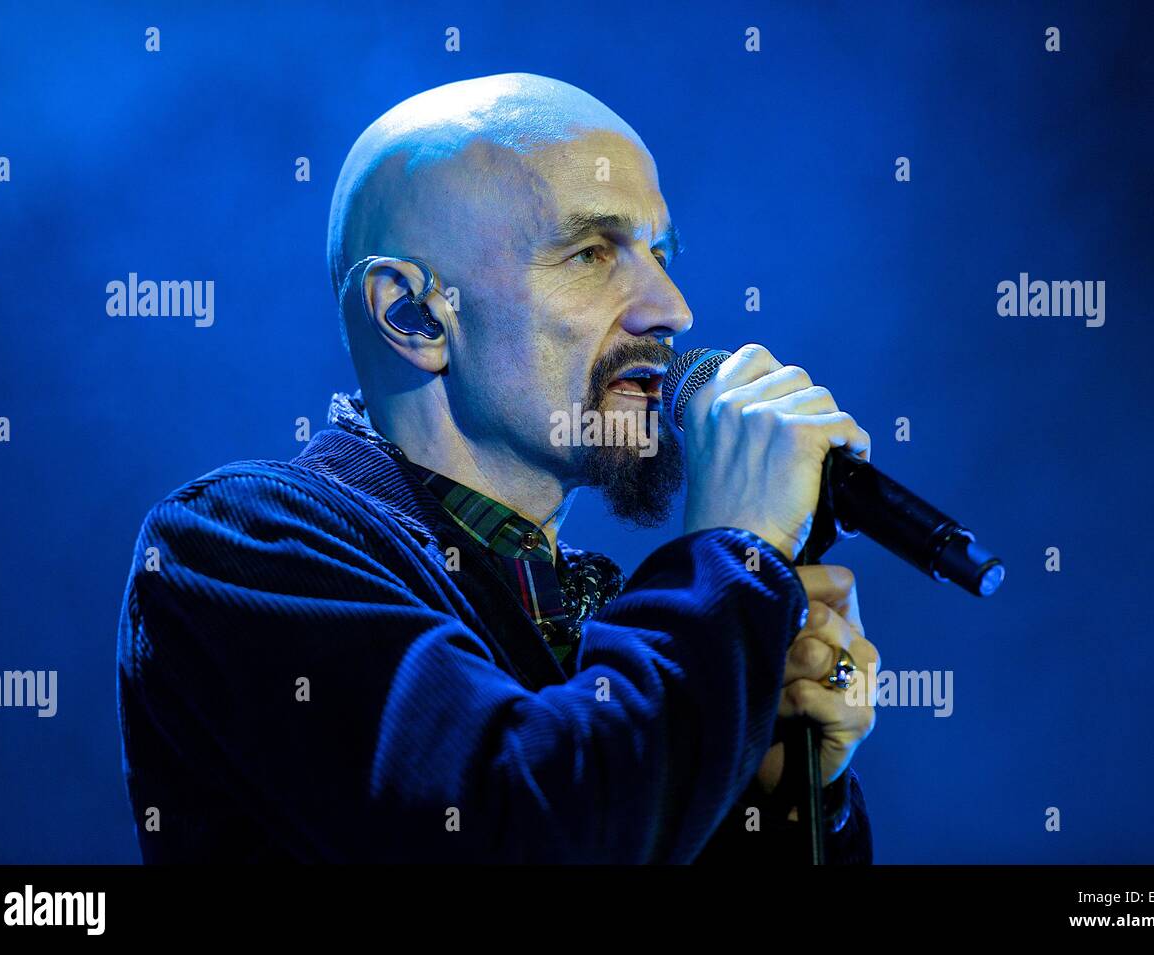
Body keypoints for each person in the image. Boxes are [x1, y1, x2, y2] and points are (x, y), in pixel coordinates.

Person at [116, 72, 880, 863]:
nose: (671, 309)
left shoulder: (610, 620)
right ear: (413, 316)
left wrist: (786, 797)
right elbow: (528, 833)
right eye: (590, 252)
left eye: (658, 253)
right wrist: (733, 555)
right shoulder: (244, 543)